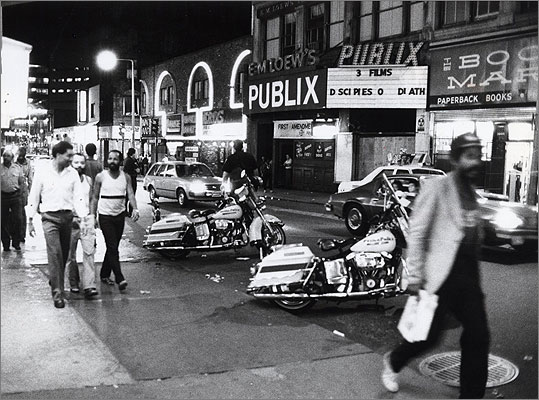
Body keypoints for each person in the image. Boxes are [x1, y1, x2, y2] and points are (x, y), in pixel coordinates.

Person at [381, 133, 489, 399]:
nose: (476, 162)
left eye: (478, 156)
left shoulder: (472, 192)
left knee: (478, 335)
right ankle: (394, 361)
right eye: (469, 156)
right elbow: (417, 233)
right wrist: (415, 276)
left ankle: (471, 395)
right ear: (455, 159)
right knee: (427, 336)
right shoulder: (437, 187)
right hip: (440, 276)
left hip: (468, 274)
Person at [27, 141, 88, 309]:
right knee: (55, 254)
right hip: (49, 219)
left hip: (67, 218)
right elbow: (34, 195)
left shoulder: (72, 174)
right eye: (68, 156)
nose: (71, 159)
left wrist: (83, 218)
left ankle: (55, 277)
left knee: (64, 255)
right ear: (58, 155)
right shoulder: (43, 172)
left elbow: (78, 197)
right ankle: (58, 293)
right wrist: (30, 220)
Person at [90, 150, 139, 291]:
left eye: (115, 159)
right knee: (112, 246)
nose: (112, 161)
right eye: (110, 158)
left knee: (113, 247)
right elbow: (95, 197)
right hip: (105, 216)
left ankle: (104, 273)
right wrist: (93, 215)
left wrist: (135, 208)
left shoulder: (126, 177)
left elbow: (130, 193)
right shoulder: (101, 177)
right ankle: (119, 277)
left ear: (120, 161)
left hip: (119, 216)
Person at [66, 153, 99, 298]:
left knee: (89, 253)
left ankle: (89, 286)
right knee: (70, 256)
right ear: (71, 164)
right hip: (70, 221)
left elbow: (92, 199)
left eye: (82, 163)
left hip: (86, 221)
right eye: (76, 162)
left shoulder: (88, 180)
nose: (79, 165)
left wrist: (93, 216)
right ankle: (73, 282)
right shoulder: (65, 181)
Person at [1, 150, 24, 252]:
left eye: (8, 156)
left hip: (15, 196)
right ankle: (6, 244)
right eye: (4, 156)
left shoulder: (17, 168)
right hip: (3, 196)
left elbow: (21, 182)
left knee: (18, 219)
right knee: (3, 221)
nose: (5, 157)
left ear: (12, 158)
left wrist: (22, 195)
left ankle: (16, 242)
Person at [15, 147, 33, 242]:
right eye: (20, 155)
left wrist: (30, 192)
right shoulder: (13, 162)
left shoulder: (28, 163)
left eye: (22, 155)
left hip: (23, 190)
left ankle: (21, 235)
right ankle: (13, 234)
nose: (21, 157)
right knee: (12, 212)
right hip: (13, 188)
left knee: (21, 211)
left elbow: (30, 178)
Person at [123, 148, 140, 216]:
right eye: (135, 153)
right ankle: (130, 211)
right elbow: (138, 170)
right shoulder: (132, 161)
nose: (135, 155)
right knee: (131, 195)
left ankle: (124, 210)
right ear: (132, 154)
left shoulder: (126, 160)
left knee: (127, 195)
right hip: (132, 179)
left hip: (126, 180)